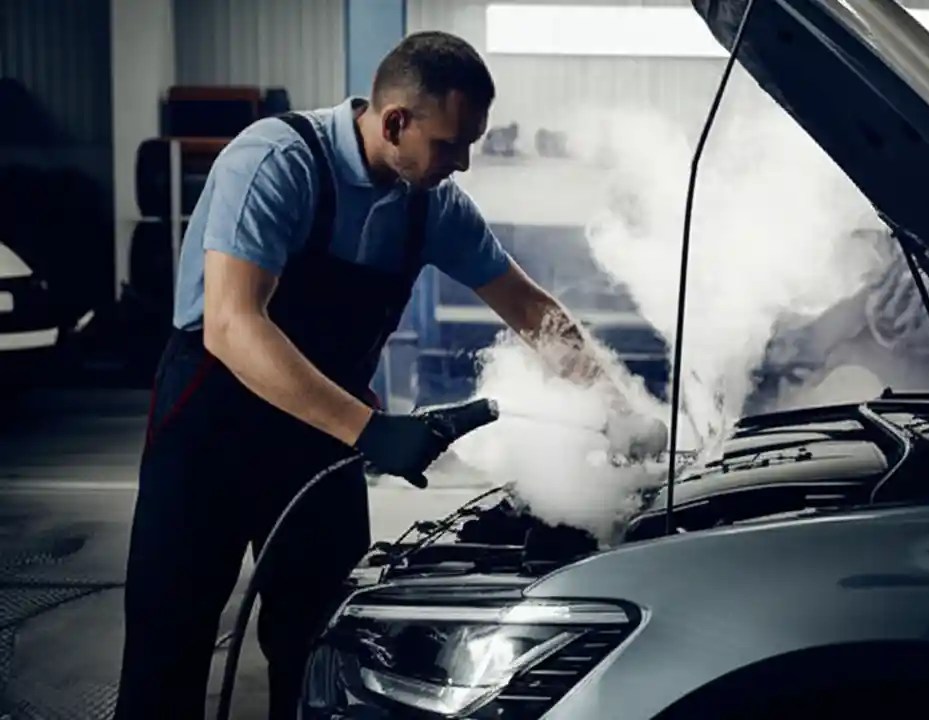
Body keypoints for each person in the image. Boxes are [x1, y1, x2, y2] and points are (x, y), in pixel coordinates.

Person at [113, 31, 666, 719]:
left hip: (321, 442)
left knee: (322, 644)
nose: (461, 164)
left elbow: (530, 310)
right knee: (171, 641)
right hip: (212, 426)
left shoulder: (430, 205)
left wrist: (618, 407)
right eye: (450, 145)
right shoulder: (276, 162)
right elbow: (233, 325)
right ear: (396, 121)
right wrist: (368, 429)